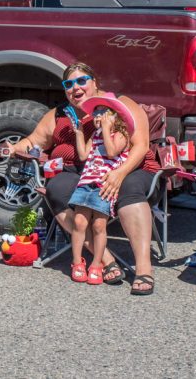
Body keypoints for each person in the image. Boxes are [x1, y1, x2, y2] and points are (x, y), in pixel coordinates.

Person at [2, 62, 156, 294]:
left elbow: (141, 144)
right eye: (69, 84)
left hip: (128, 168)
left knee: (129, 188)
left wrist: (120, 173)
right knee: (58, 188)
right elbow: (34, 140)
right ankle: (104, 259)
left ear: (95, 82)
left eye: (82, 81)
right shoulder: (60, 114)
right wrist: (14, 147)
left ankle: (144, 269)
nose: (76, 88)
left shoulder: (120, 105)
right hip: (83, 174)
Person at [67, 96, 134, 285]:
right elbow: (83, 155)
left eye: (103, 113)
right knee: (79, 222)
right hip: (86, 182)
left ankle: (97, 264)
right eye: (95, 113)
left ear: (114, 116)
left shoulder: (121, 134)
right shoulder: (95, 135)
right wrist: (79, 132)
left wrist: (106, 128)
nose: (98, 117)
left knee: (98, 225)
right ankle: (76, 261)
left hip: (103, 186)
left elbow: (112, 152)